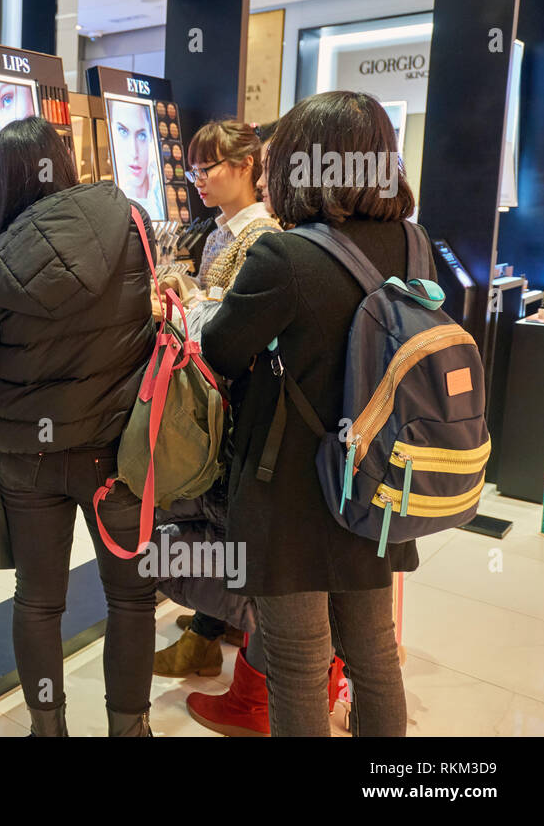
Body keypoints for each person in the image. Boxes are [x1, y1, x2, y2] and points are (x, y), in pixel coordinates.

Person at [199, 91, 422, 737]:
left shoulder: (286, 256)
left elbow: (221, 350)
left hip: (289, 490)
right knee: (375, 659)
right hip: (376, 479)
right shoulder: (412, 243)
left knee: (298, 666)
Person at [0, 116, 157, 737]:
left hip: (26, 454)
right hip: (117, 452)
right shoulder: (130, 222)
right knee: (130, 598)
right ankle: (130, 730)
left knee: (38, 601)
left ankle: (49, 729)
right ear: (63, 164)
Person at [152, 119, 280, 681]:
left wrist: (190, 298)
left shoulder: (263, 238)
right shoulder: (224, 231)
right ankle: (213, 622)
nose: (198, 179)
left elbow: (232, 324)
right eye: (193, 169)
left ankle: (215, 628)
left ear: (247, 166)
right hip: (212, 394)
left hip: (231, 402)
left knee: (213, 516)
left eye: (210, 168)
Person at [108, 99, 165, 219]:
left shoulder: (160, 194)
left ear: (151, 137)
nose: (134, 152)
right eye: (123, 132)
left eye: (141, 135)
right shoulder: (109, 204)